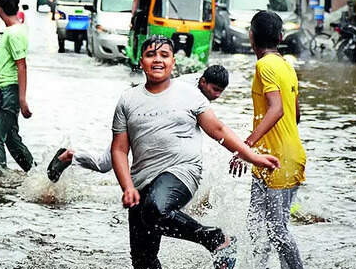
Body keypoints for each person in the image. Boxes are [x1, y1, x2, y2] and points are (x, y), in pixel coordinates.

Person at [111, 35, 279, 269]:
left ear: (173, 62)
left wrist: (253, 157)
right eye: (150, 55)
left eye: (164, 55)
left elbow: (219, 131)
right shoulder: (127, 100)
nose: (157, 60)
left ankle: (217, 239)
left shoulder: (190, 95)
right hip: (140, 181)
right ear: (141, 61)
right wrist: (127, 186)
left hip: (181, 172)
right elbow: (118, 150)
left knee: (156, 209)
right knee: (143, 263)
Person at [47, 64, 229, 182]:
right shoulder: (188, 90)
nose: (217, 95)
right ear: (203, 82)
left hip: (151, 123)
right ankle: (70, 156)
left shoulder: (200, 84)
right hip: (137, 120)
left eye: (221, 92)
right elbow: (215, 128)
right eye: (215, 90)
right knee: (104, 165)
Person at [230, 11, 308, 269]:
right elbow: (295, 115)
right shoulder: (286, 66)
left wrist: (245, 146)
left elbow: (275, 110)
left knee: (276, 228)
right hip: (273, 157)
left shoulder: (264, 67)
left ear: (251, 36)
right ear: (280, 37)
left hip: (278, 159)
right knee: (257, 225)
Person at [0, 0, 33, 171]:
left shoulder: (13, 33)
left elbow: (21, 65)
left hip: (6, 90)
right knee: (11, 137)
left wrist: (22, 99)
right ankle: (34, 172)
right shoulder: (17, 30)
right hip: (7, 89)